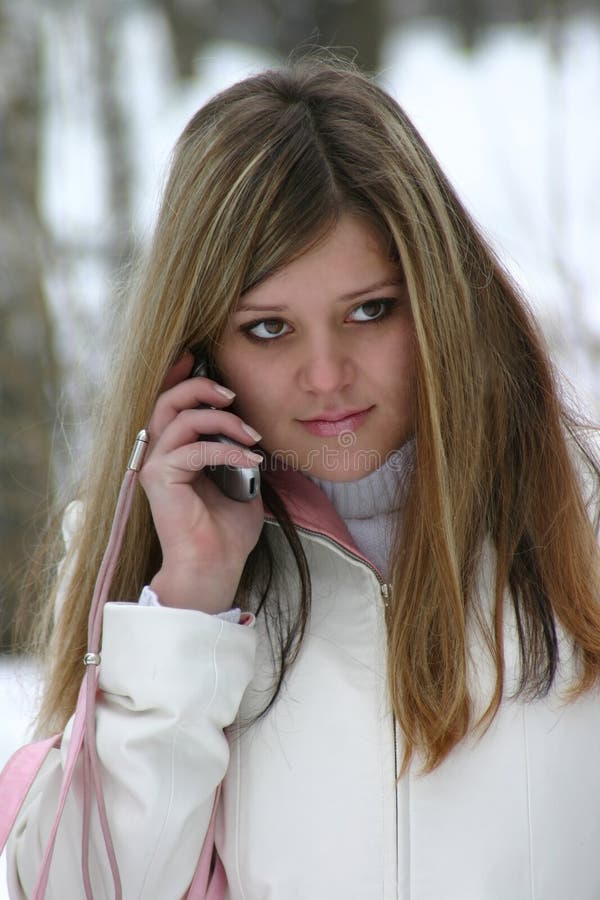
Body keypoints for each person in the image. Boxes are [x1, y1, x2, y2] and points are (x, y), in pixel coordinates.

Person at [7, 54, 600, 899]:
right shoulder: (141, 574)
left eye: (370, 311)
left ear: (440, 298)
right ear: (196, 346)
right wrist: (188, 607)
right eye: (269, 328)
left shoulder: (583, 523)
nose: (327, 376)